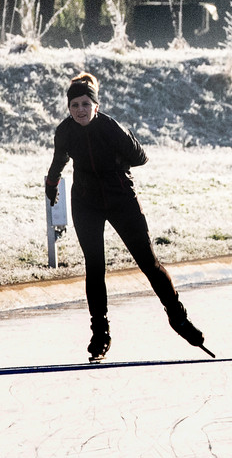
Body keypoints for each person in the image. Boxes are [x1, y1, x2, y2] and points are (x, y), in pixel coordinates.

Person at [45, 72, 212, 362]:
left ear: (96, 105)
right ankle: (100, 333)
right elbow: (59, 159)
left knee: (148, 261)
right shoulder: (65, 131)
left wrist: (121, 157)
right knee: (95, 266)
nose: (80, 110)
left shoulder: (111, 128)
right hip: (86, 202)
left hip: (121, 198)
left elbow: (141, 157)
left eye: (86, 104)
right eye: (75, 105)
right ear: (69, 108)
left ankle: (178, 317)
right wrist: (51, 184)